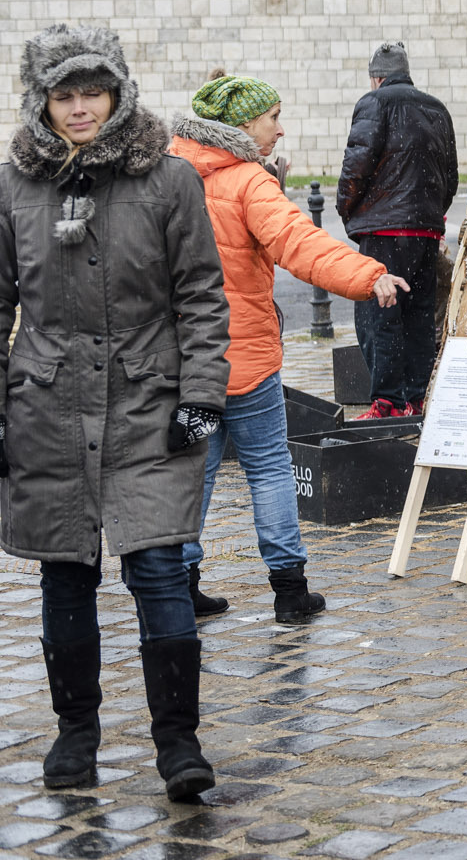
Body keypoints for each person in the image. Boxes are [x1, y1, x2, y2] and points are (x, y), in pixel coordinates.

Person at [0, 24, 231, 801]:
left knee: (161, 567)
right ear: (43, 101)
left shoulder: (170, 183)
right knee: (66, 572)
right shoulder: (15, 187)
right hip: (49, 408)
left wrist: (202, 392)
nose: (78, 108)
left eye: (90, 91)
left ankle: (179, 742)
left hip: (146, 403)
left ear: (116, 91)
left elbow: (201, 294)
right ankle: (76, 733)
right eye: (63, 94)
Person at [171, 76, 408, 622]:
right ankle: (289, 592)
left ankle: (180, 585)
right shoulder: (248, 182)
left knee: (191, 478)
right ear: (241, 126)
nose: (280, 128)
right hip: (248, 361)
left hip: (188, 363)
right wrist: (368, 275)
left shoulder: (169, 173)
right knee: (271, 471)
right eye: (272, 117)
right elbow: (301, 245)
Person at [337, 42, 457, 420]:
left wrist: (347, 208)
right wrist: (432, 215)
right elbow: (450, 174)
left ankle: (386, 402)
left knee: (379, 312)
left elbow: (356, 165)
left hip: (385, 230)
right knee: (420, 316)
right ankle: (415, 400)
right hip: (426, 231)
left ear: (376, 77)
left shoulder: (374, 103)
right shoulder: (437, 108)